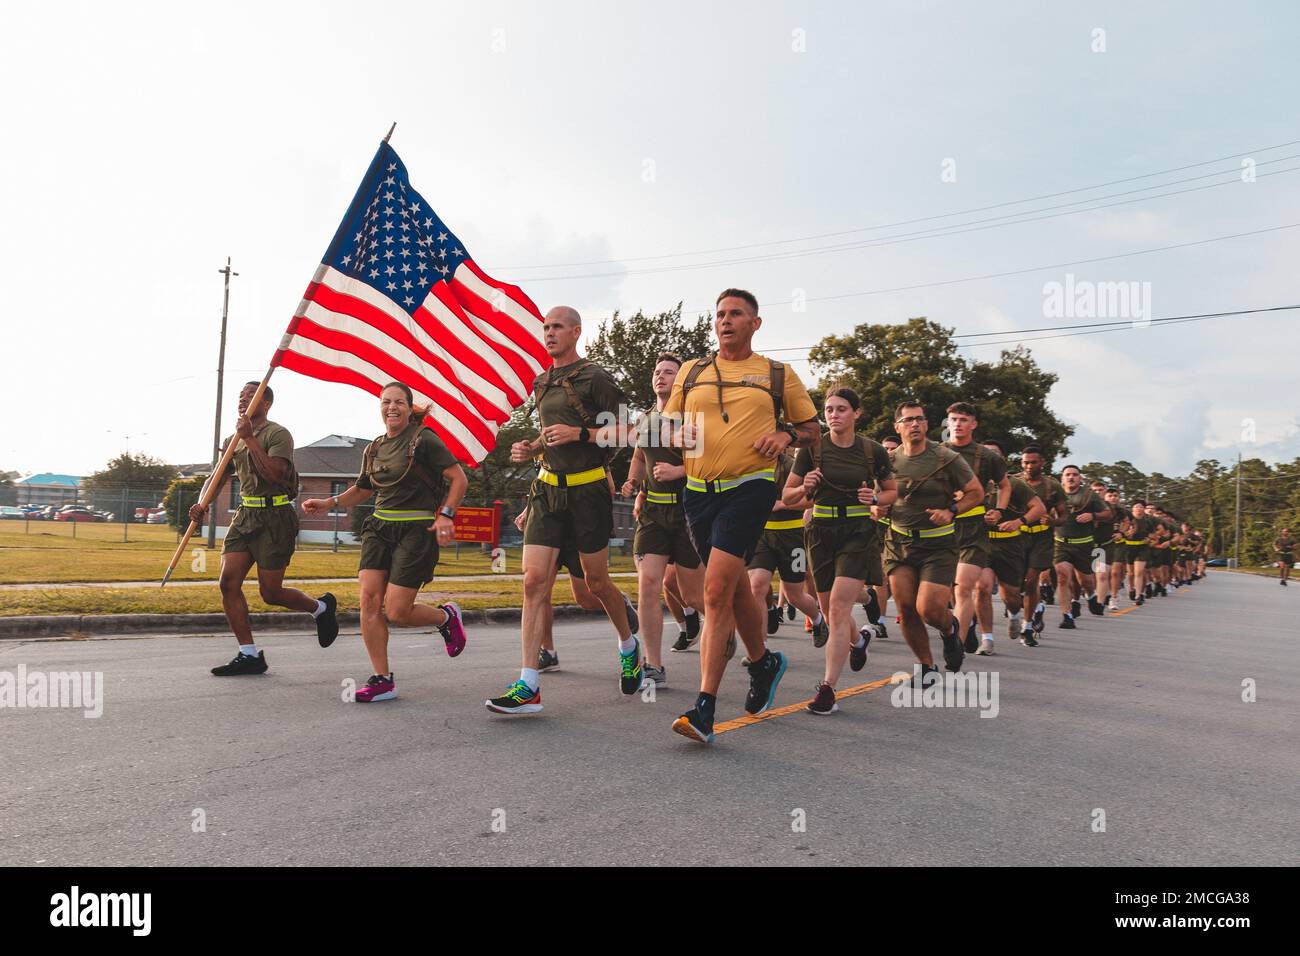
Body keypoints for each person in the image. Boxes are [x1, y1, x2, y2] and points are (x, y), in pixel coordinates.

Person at [665, 288, 820, 744]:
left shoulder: (776, 374)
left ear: (756, 323)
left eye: (736, 314)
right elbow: (668, 424)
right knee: (731, 591)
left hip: (750, 488)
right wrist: (677, 433)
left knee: (714, 590)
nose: (725, 321)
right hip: (698, 492)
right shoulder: (692, 372)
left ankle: (704, 708)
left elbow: (812, 429)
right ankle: (763, 661)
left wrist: (784, 433)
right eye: (719, 314)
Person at [487, 306, 638, 714]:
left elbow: (630, 430)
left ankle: (628, 644)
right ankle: (528, 684)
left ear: (575, 331)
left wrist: (582, 433)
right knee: (534, 582)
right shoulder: (541, 382)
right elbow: (550, 431)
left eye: (557, 327)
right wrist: (532, 447)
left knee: (596, 584)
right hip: (548, 492)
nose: (549, 333)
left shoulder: (596, 376)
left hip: (588, 493)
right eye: (546, 328)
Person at [302, 382, 468, 702]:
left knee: (397, 611)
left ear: (409, 407)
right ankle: (382, 679)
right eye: (386, 402)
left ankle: (446, 617)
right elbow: (364, 490)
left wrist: (446, 514)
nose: (391, 407)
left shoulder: (424, 440)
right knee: (368, 600)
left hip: (415, 530)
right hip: (378, 527)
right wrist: (329, 503)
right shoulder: (374, 448)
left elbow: (459, 478)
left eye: (398, 402)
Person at [190, 382, 339, 677]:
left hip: (275, 515)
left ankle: (320, 608)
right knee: (227, 583)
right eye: (240, 396)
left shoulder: (277, 433)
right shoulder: (233, 439)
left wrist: (250, 438)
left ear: (266, 403)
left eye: (250, 396)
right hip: (246, 514)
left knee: (270, 593)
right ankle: (249, 654)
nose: (243, 400)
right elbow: (217, 476)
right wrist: (201, 503)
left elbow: (275, 472)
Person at [787, 387, 897, 714]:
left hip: (858, 532)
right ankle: (859, 640)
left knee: (836, 608)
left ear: (857, 413)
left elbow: (892, 492)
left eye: (841, 409)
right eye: (829, 409)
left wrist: (876, 500)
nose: (834, 415)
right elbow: (788, 494)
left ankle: (827, 690)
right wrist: (804, 486)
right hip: (820, 532)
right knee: (831, 607)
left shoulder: (872, 451)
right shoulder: (811, 449)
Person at [621, 352, 706, 687]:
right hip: (654, 512)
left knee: (696, 597)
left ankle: (726, 634)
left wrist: (679, 470)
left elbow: (712, 461)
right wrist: (634, 482)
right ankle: (653, 666)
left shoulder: (692, 417)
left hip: (688, 511)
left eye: (669, 372)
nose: (661, 376)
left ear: (680, 379)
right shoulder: (646, 420)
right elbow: (640, 456)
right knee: (648, 583)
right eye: (657, 372)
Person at [884, 400, 984, 682]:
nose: (914, 424)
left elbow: (976, 493)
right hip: (899, 543)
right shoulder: (888, 460)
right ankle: (926, 666)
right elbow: (878, 494)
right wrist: (878, 507)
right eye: (908, 420)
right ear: (898, 427)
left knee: (928, 609)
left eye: (919, 419)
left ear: (927, 425)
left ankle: (950, 629)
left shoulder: (945, 457)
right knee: (905, 607)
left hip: (938, 546)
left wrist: (951, 511)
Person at [943, 403, 1010, 655]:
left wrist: (999, 510)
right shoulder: (937, 453)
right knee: (944, 592)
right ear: (947, 423)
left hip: (973, 528)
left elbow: (1005, 486)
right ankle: (966, 624)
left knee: (963, 587)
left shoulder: (986, 456)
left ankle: (955, 647)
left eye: (963, 419)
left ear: (973, 424)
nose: (958, 424)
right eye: (953, 419)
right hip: (943, 527)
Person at [748, 449, 825, 644]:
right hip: (761, 535)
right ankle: (760, 651)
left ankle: (817, 619)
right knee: (756, 586)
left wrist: (781, 504)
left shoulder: (792, 466)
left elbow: (812, 500)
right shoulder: (747, 463)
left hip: (792, 536)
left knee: (794, 596)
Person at [979, 438, 1046, 649]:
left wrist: (1018, 522)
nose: (990, 458)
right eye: (985, 453)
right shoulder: (969, 482)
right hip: (981, 545)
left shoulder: (1014, 484)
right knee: (982, 588)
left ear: (1002, 460)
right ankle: (987, 639)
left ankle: (1016, 614)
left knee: (1012, 596)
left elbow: (1039, 508)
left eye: (995, 454)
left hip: (1010, 546)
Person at [1016, 444, 1065, 639]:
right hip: (1017, 536)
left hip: (1042, 538)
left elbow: (1064, 515)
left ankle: (1027, 627)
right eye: (1025, 462)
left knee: (1030, 581)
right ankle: (1037, 608)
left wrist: (1053, 521)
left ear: (1042, 463)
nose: (1029, 466)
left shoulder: (1052, 486)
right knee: (1015, 585)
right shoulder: (1013, 482)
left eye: (1033, 462)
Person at [1051, 466, 1110, 628]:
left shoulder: (1090, 495)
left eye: (1075, 475)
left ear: (1080, 478)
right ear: (1062, 478)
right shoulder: (1054, 494)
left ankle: (1091, 596)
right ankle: (1067, 616)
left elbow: (1107, 514)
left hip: (1084, 545)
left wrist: (1093, 515)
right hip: (1061, 543)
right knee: (1063, 578)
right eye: (1067, 475)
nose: (1071, 478)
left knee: (1087, 582)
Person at [1119, 500, 1155, 606]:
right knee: (1130, 573)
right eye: (1136, 506)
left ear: (1144, 509)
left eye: (1141, 507)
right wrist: (1126, 533)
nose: (1139, 508)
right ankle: (1131, 589)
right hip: (1129, 547)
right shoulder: (1127, 520)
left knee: (1139, 572)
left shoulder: (1148, 521)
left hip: (1142, 547)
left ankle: (1138, 595)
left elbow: (1154, 535)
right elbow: (1120, 532)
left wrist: (1149, 539)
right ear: (1132, 508)